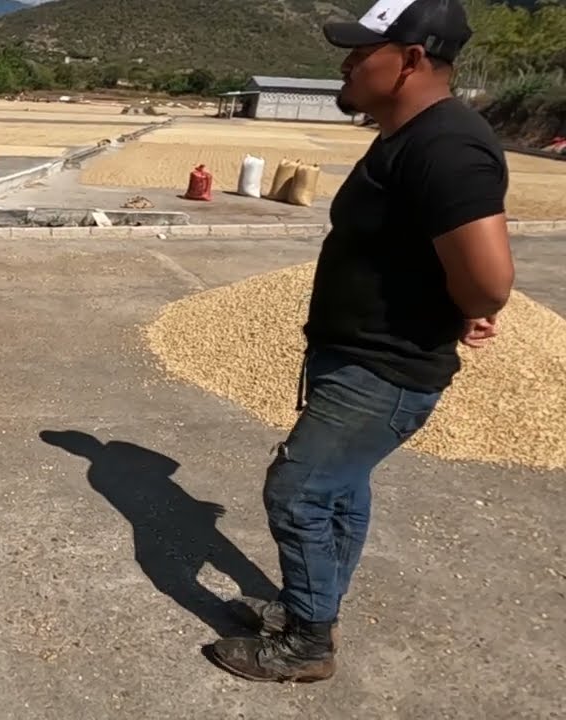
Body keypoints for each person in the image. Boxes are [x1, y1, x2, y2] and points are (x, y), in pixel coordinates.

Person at [208, 0, 514, 683]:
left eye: (359, 52)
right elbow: (428, 246)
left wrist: (470, 303)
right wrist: (453, 298)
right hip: (357, 356)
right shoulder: (407, 134)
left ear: (410, 60)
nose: (344, 64)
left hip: (385, 369)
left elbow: (490, 280)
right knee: (339, 491)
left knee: (299, 492)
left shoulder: (448, 144)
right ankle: (310, 608)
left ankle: (307, 644)